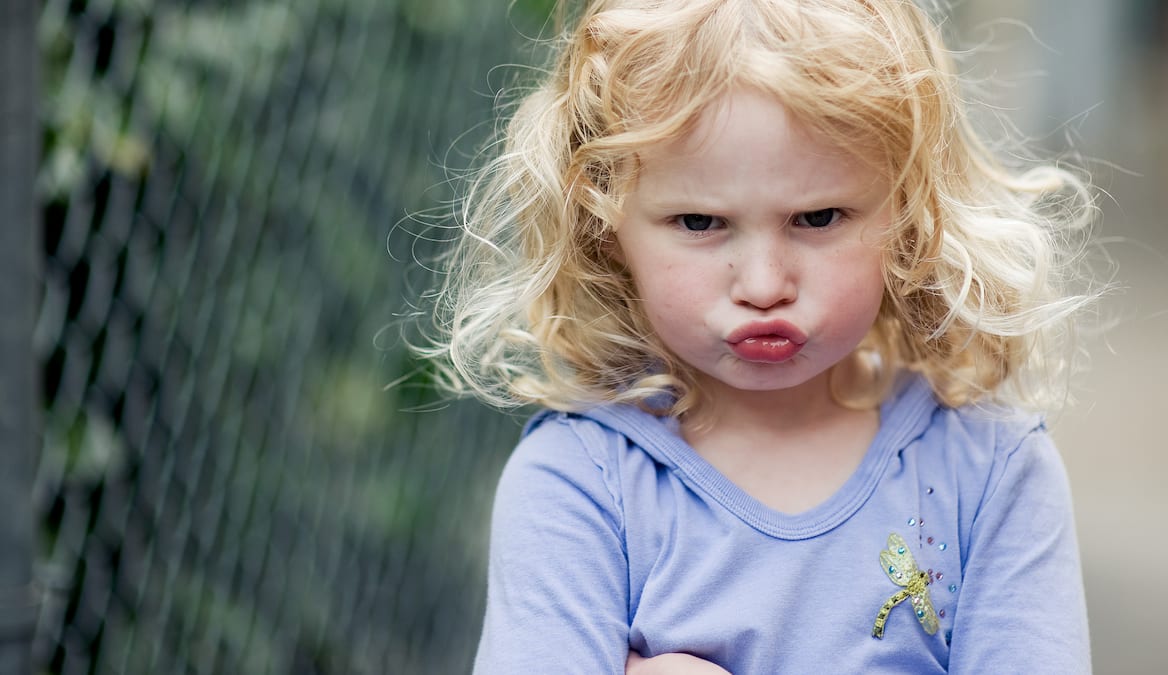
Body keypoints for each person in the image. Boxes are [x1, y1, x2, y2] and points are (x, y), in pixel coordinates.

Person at [417, 0, 1102, 672]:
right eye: (698, 223)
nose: (765, 283)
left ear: (910, 211)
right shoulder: (580, 486)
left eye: (818, 216)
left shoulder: (992, 473)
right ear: (605, 224)